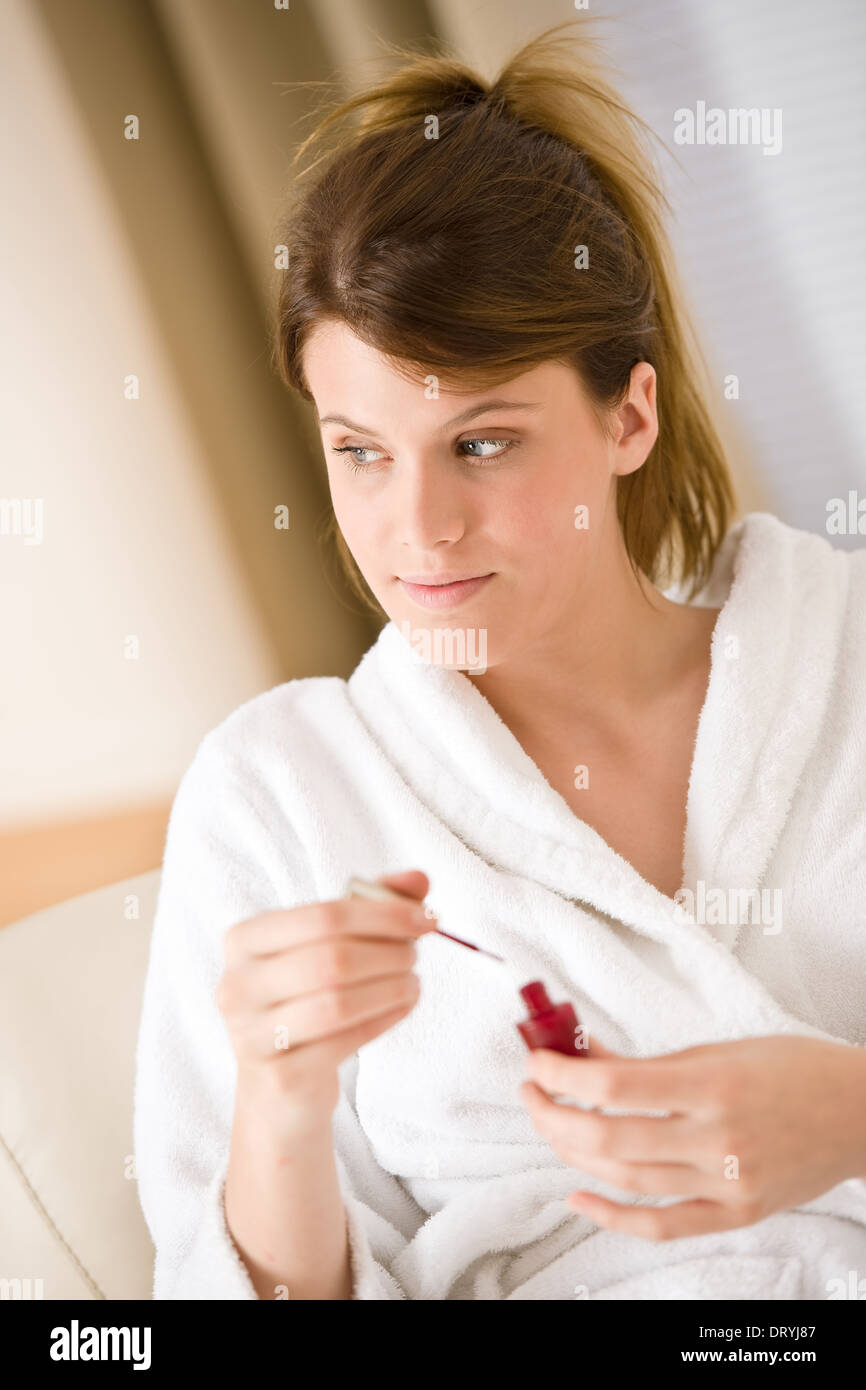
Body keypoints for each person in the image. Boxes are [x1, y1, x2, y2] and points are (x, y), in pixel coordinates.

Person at [133, 18, 866, 1300]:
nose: (414, 528)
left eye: (480, 443)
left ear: (626, 415)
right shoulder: (283, 792)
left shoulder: (845, 662)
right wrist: (281, 1101)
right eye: (360, 449)